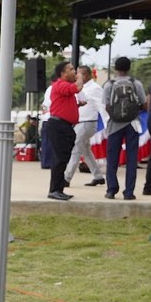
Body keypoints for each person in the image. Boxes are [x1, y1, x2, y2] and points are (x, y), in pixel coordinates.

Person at [102, 56, 147, 200]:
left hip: (114, 125)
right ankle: (129, 192)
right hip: (132, 124)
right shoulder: (136, 83)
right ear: (129, 68)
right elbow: (144, 104)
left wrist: (116, 116)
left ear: (115, 68)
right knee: (132, 159)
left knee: (112, 158)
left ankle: (111, 190)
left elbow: (107, 105)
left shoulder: (109, 84)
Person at [44, 62, 85, 200]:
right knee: (60, 159)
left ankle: (58, 188)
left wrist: (76, 106)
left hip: (64, 126)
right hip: (59, 125)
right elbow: (77, 87)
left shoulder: (64, 87)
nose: (74, 72)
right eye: (71, 69)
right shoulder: (60, 84)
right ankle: (55, 190)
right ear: (63, 73)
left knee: (63, 159)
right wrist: (80, 77)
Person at [64, 65, 106, 187]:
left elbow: (102, 106)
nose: (76, 75)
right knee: (85, 150)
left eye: (78, 73)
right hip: (81, 122)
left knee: (76, 149)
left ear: (86, 75)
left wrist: (107, 123)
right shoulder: (81, 87)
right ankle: (98, 176)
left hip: (87, 122)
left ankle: (66, 178)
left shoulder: (95, 88)